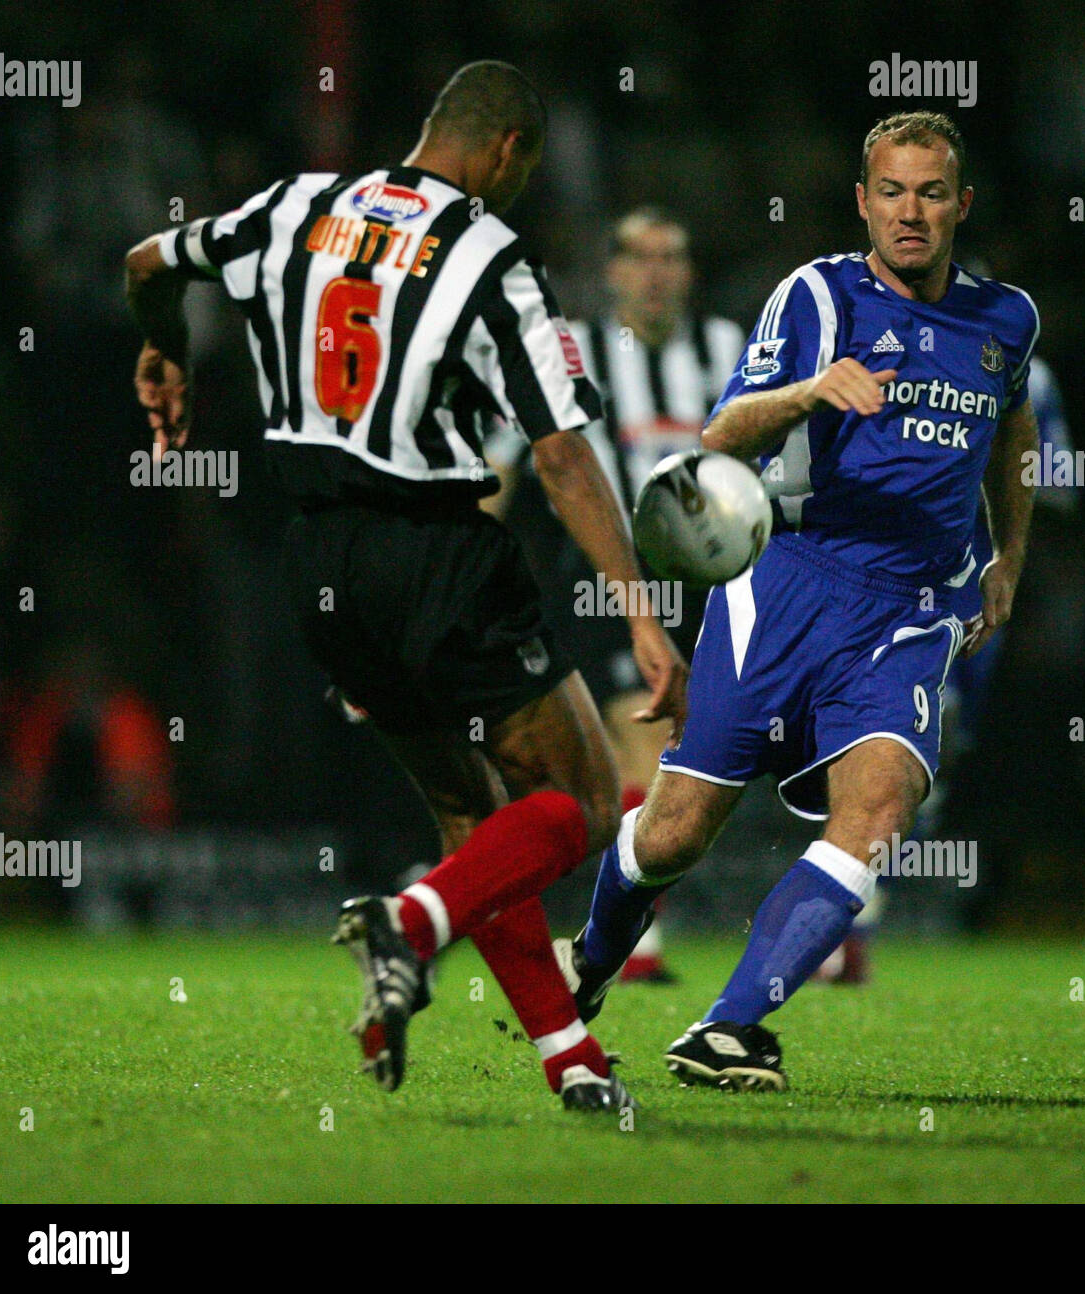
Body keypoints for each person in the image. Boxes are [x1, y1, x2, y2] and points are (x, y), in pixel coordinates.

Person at [123, 61, 686, 1112]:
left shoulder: (293, 205)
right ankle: (410, 922)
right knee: (584, 798)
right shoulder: (487, 253)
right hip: (436, 552)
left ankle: (569, 1057)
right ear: (509, 151)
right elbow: (561, 454)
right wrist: (642, 613)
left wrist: (164, 348)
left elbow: (149, 259)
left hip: (319, 568)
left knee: (470, 817)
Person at [556, 111, 1040, 1089]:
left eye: (931, 193)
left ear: (962, 204)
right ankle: (590, 961)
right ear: (863, 201)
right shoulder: (818, 295)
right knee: (677, 828)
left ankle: (729, 1025)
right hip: (789, 585)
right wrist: (811, 392)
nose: (911, 213)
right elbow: (722, 432)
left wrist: (1008, 556)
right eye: (891, 192)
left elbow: (1015, 426)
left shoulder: (1007, 320)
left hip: (913, 608)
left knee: (882, 803)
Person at [489, 208, 744, 982]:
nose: (656, 272)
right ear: (611, 270)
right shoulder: (572, 350)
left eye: (672, 256)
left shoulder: (727, 347)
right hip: (607, 576)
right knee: (642, 735)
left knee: (679, 755)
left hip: (714, 581)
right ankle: (631, 941)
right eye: (639, 256)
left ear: (689, 272)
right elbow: (502, 463)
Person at [818, 353, 1074, 983]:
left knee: (934, 755)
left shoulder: (1027, 373)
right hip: (890, 582)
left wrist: (1014, 569)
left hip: (975, 593)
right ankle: (843, 923)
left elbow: (1050, 487)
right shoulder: (881, 352)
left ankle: (854, 915)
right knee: (891, 735)